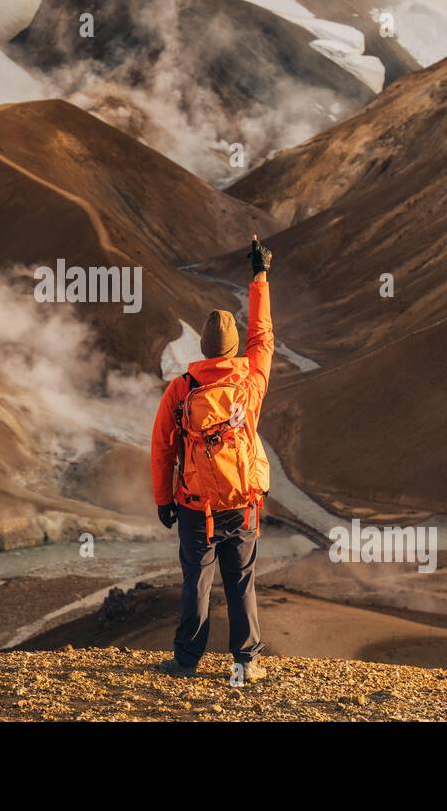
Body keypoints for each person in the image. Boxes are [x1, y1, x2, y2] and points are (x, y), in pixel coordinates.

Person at [150, 237, 273, 681]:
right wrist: (259, 277)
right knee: (241, 583)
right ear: (233, 347)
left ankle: (186, 662)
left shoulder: (181, 388)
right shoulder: (251, 381)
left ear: (202, 348)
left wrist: (164, 500)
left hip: (194, 507)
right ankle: (245, 663)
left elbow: (162, 447)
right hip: (243, 503)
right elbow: (264, 336)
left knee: (196, 585)